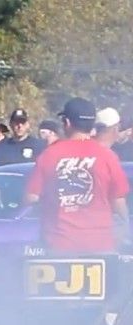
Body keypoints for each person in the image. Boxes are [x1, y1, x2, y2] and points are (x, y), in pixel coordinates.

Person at [25, 97, 130, 253]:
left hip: (59, 244)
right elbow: (118, 201)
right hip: (100, 246)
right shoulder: (108, 156)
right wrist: (126, 227)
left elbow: (31, 198)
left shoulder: (49, 154)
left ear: (67, 123)